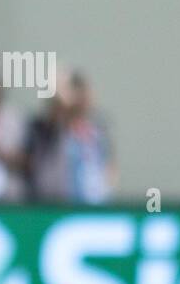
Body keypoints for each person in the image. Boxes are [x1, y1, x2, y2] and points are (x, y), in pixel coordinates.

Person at [28, 70, 115, 204]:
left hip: (96, 199)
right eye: (76, 92)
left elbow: (108, 163)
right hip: (64, 200)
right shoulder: (56, 128)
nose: (81, 99)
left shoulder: (98, 129)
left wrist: (107, 187)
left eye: (83, 93)